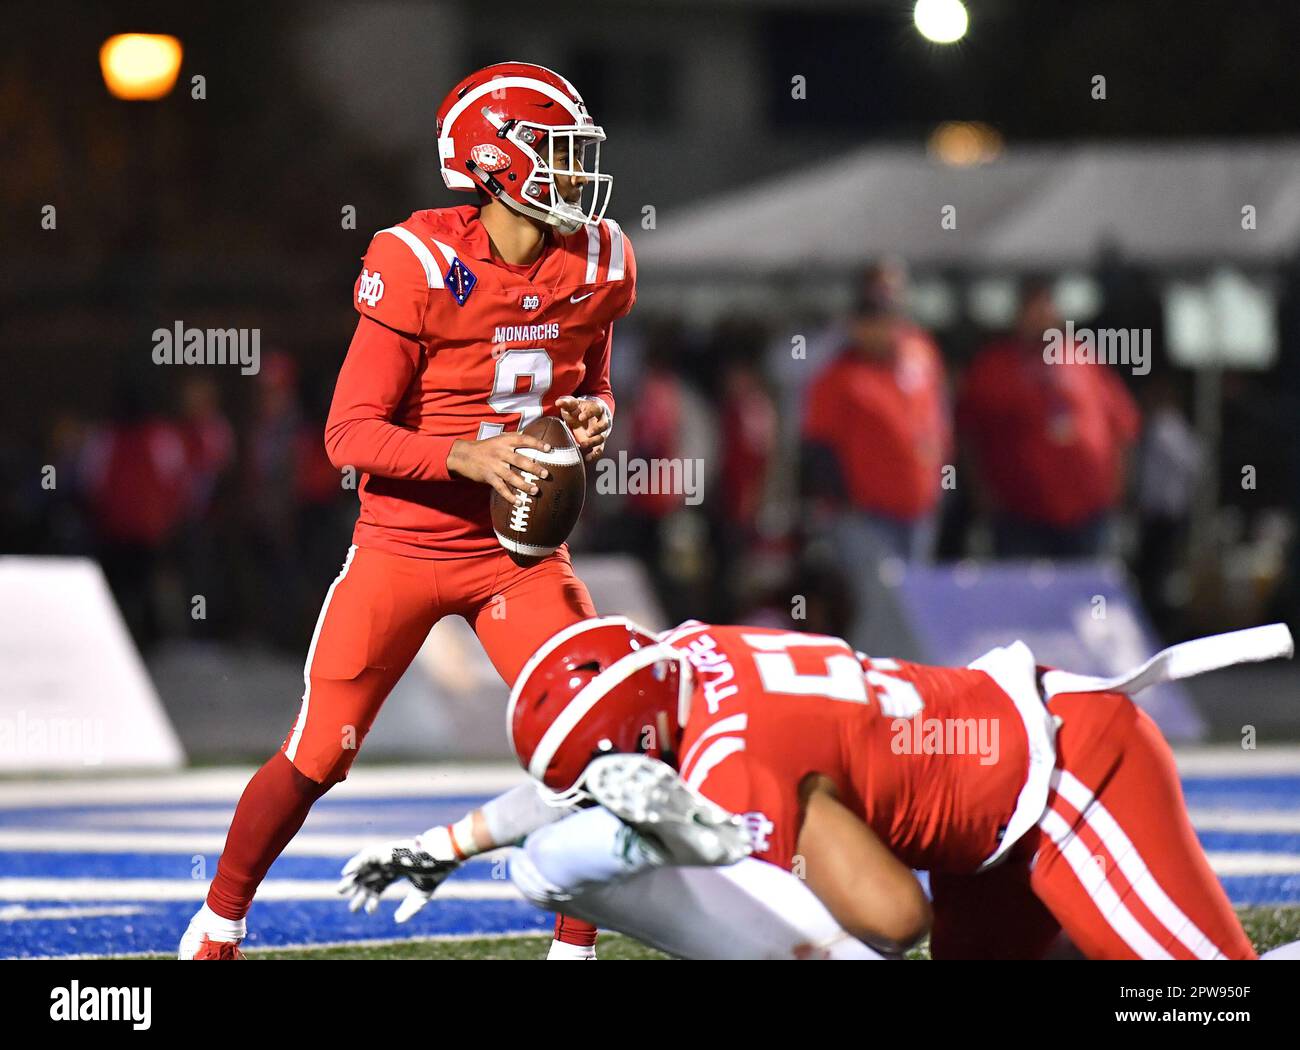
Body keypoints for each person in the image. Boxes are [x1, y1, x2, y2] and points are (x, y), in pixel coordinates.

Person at [179, 62, 635, 961]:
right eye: (556, 153)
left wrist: (596, 415)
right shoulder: (420, 261)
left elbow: (598, 381)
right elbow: (348, 433)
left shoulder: (600, 260)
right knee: (318, 756)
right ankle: (219, 920)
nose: (576, 174)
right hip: (405, 545)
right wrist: (463, 453)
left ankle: (576, 950)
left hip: (519, 554)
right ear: (496, 163)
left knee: (596, 741)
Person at [341, 617, 1292, 959]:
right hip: (987, 820)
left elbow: (890, 919)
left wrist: (746, 846)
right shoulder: (692, 652)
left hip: (1070, 775)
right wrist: (449, 843)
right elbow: (594, 780)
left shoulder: (728, 761)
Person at [957, 279, 1139, 558]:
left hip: (1087, 513)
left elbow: (1122, 426)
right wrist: (981, 494)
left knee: (1083, 596)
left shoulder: (1082, 357)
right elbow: (967, 434)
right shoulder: (994, 366)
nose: (1039, 317)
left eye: (1045, 307)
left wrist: (1117, 488)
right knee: (1024, 596)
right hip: (1019, 516)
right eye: (1031, 309)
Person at [802, 262, 950, 563]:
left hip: (920, 510)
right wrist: (844, 502)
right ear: (856, 326)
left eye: (889, 318)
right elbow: (818, 448)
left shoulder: (920, 352)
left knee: (913, 601)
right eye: (873, 321)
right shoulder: (839, 375)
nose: (884, 329)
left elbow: (938, 419)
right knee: (877, 601)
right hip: (867, 516)